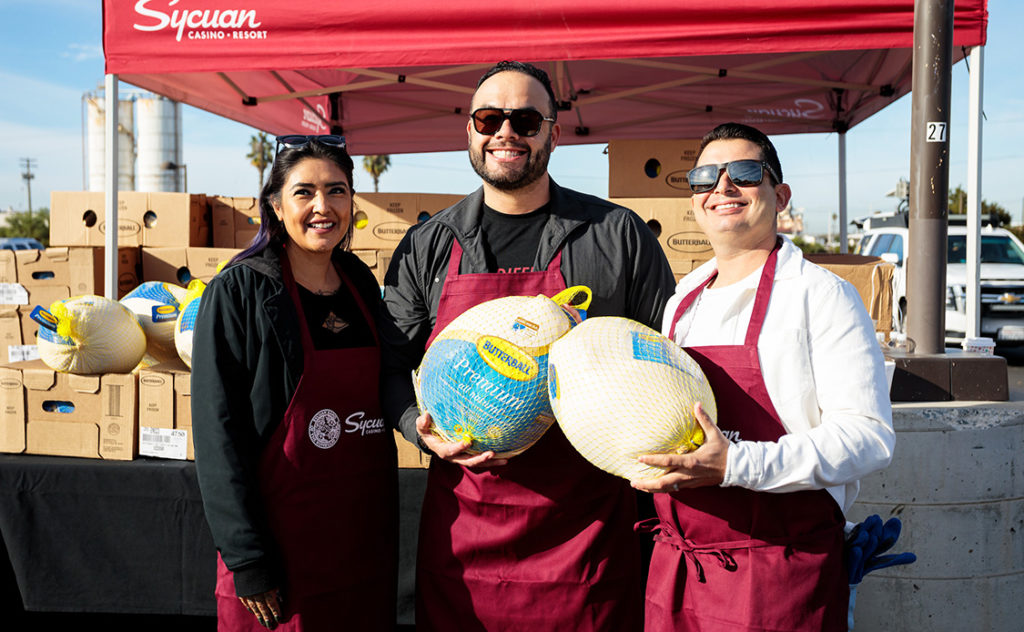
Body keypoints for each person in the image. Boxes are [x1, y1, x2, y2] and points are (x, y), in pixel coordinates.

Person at [381, 61, 676, 631]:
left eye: (525, 119)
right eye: (489, 118)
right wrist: (415, 421)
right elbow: (391, 366)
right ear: (469, 130)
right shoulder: (428, 244)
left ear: (553, 133)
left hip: (584, 530)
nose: (506, 133)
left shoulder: (617, 234)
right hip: (466, 527)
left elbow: (664, 360)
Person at [633, 122, 895, 631]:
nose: (722, 187)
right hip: (680, 570)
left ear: (780, 195)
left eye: (745, 174)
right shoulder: (681, 301)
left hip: (778, 575)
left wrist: (735, 464)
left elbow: (868, 438)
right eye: (706, 177)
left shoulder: (821, 296)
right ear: (693, 202)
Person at [193, 135, 397, 631]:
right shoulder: (239, 290)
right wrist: (247, 559)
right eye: (304, 192)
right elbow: (217, 434)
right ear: (276, 205)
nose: (322, 207)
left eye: (337, 191)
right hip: (281, 553)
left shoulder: (359, 280)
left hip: (361, 545)